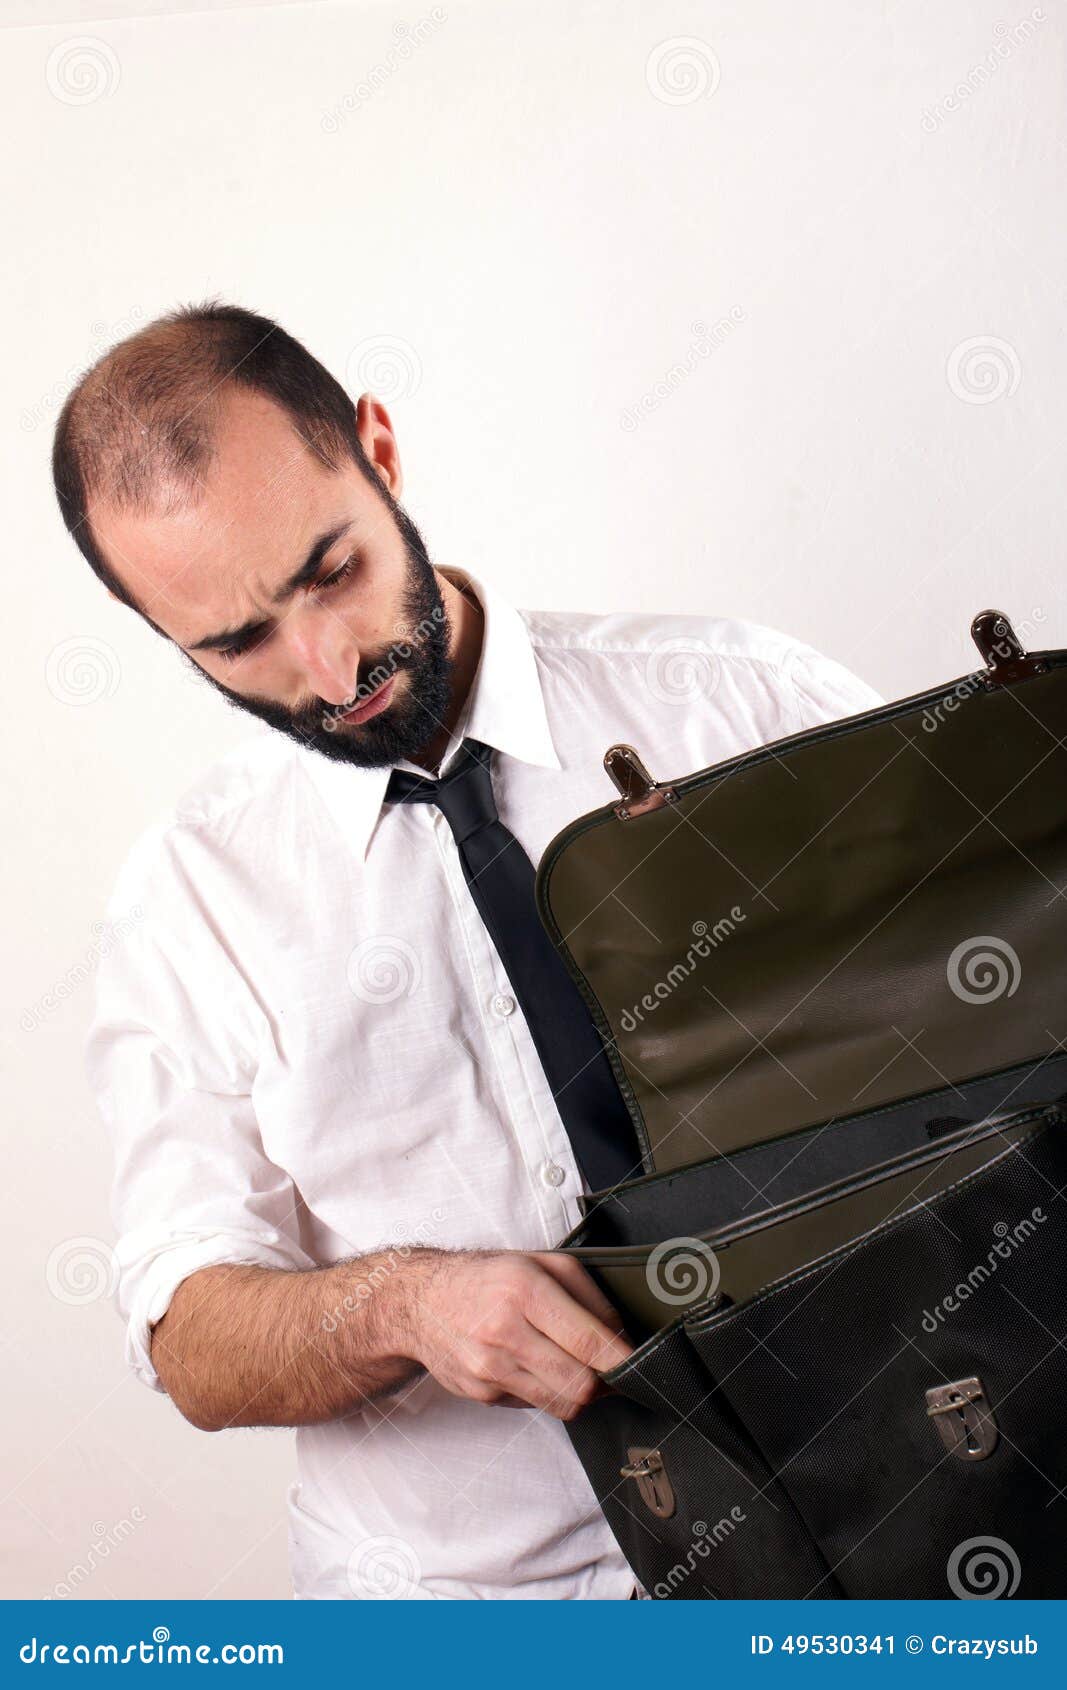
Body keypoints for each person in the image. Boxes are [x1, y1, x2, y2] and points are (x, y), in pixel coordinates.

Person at [54, 300, 884, 1600]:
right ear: (168, 636)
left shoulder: (743, 706)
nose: (331, 669)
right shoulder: (191, 901)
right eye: (238, 641)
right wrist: (399, 1304)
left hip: (885, 1531)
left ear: (379, 449)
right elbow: (187, 1327)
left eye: (330, 571)